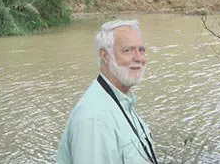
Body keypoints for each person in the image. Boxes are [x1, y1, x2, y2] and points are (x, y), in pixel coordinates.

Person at [56, 20, 158, 164]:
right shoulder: (94, 119)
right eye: (127, 50)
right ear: (105, 55)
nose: (138, 58)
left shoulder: (121, 100)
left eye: (141, 50)